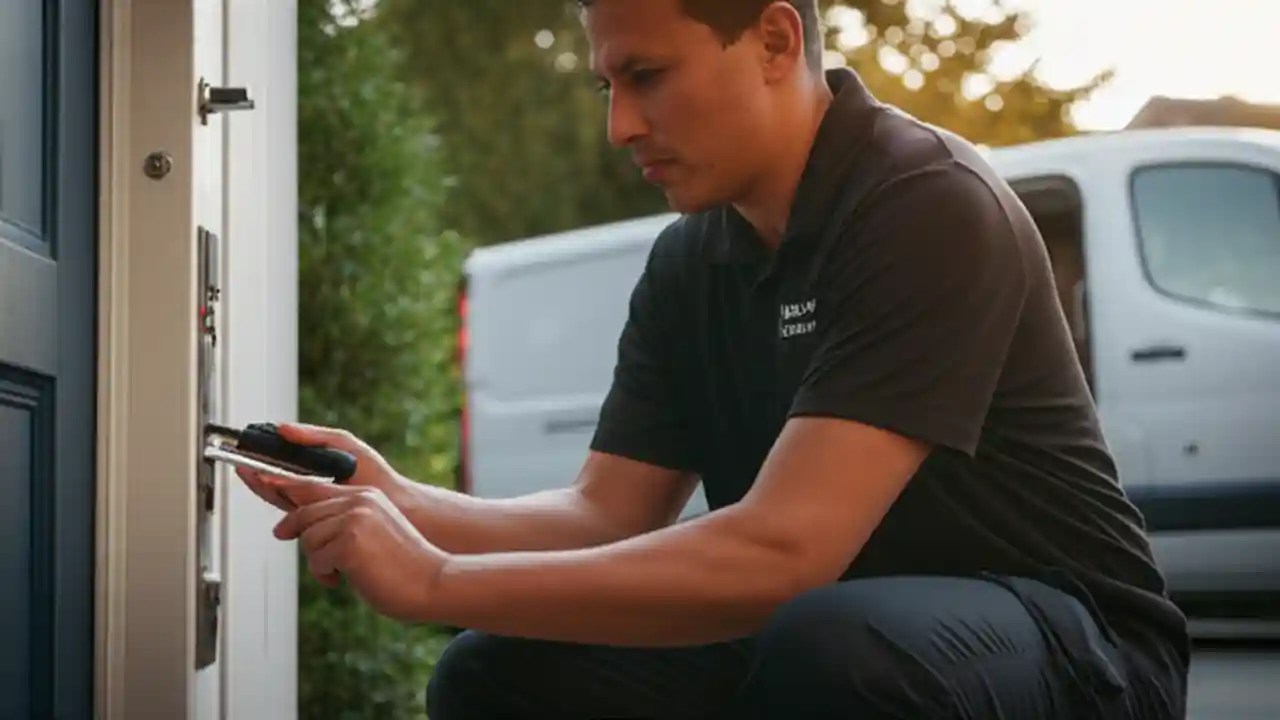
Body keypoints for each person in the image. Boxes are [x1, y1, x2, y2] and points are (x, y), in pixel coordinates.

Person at [240, 0, 1191, 717]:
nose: (619, 126)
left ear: (775, 42)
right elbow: (601, 514)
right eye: (607, 85)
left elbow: (783, 553)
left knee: (834, 647)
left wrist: (437, 582)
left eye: (647, 76)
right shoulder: (692, 259)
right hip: (834, 625)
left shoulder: (925, 204)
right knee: (495, 672)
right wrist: (401, 499)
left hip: (1075, 641)